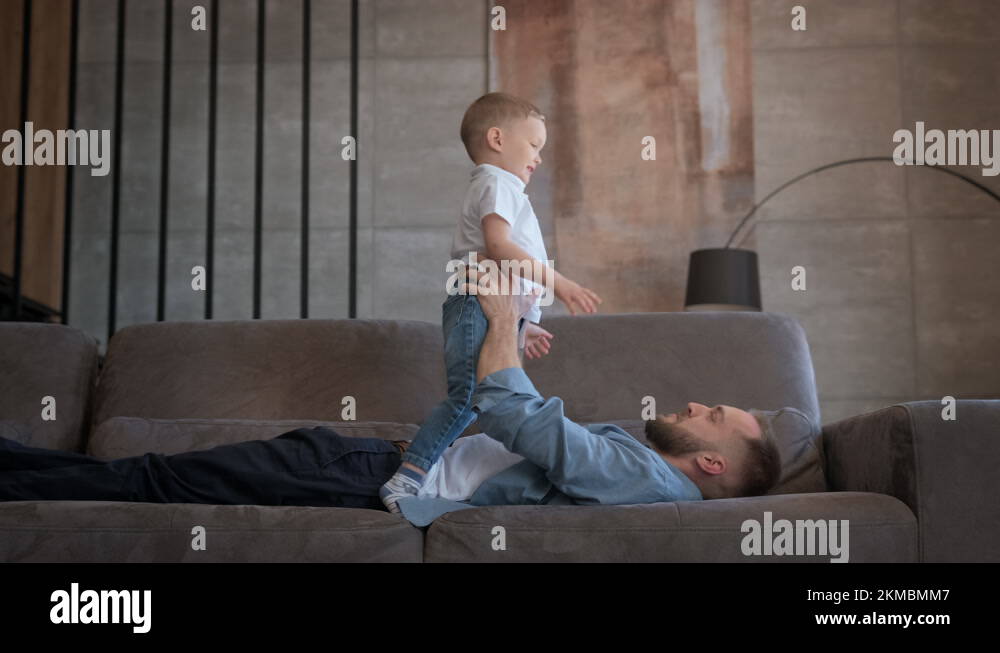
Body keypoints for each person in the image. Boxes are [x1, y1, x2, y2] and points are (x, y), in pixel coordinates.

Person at [0, 265, 783, 529]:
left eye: (710, 416)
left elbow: (519, 415)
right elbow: (524, 420)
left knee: (155, 481)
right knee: (156, 478)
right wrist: (505, 337)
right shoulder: (638, 467)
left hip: (362, 481)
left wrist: (502, 317)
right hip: (375, 463)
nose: (694, 405)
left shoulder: (645, 479)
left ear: (713, 463)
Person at [378, 91, 604, 513]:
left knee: (495, 401)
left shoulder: (505, 188)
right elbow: (498, 247)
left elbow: (508, 263)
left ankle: (447, 481)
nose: (538, 157)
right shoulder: (496, 182)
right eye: (533, 144)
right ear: (498, 139)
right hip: (476, 304)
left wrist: (523, 323)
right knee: (467, 398)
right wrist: (560, 283)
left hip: (492, 309)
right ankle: (407, 478)